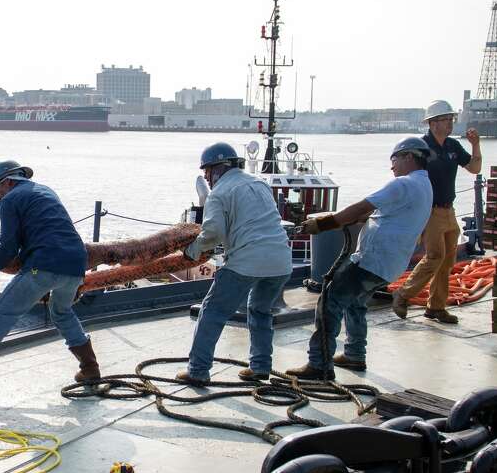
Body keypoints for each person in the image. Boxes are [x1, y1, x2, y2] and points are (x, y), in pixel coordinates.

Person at [287, 138, 433, 380]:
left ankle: (319, 364)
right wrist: (361, 219)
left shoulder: (403, 184)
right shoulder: (424, 185)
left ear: (409, 156)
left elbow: (361, 207)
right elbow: (383, 213)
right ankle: (354, 354)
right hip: (390, 264)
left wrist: (322, 224)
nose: (392, 166)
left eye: (394, 159)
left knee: (329, 302)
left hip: (372, 261)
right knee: (355, 303)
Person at [0, 160, 99, 393]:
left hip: (44, 264)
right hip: (76, 264)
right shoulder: (46, 191)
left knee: (0, 314)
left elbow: (8, 249)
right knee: (61, 312)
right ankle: (90, 368)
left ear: (7, 182)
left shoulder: (10, 199)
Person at [178, 142, 293, 383]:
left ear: (216, 169)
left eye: (206, 172)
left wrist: (192, 251)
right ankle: (260, 366)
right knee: (260, 310)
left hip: (246, 261)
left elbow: (213, 233)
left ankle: (197, 371)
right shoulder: (259, 184)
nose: (206, 178)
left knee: (212, 311)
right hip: (281, 261)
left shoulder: (219, 193)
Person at [391, 100, 482, 324]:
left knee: (447, 261)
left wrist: (475, 145)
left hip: (448, 210)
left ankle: (436, 307)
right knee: (434, 256)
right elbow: (401, 174)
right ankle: (402, 294)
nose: (450, 123)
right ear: (432, 123)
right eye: (445, 119)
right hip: (429, 210)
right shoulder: (420, 147)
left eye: (452, 119)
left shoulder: (452, 146)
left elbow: (474, 168)